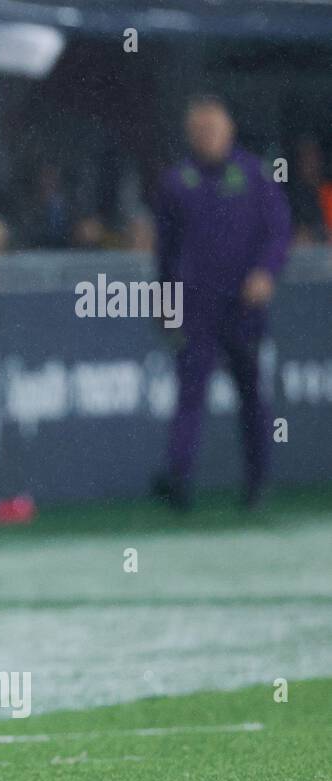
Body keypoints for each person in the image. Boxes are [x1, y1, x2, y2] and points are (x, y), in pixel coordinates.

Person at [153, 96, 291, 511]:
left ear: (229, 131)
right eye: (199, 131)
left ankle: (258, 482)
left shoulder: (254, 175)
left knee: (252, 394)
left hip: (245, 306)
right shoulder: (177, 182)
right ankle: (180, 482)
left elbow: (278, 230)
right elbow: (165, 252)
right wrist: (165, 304)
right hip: (196, 307)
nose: (207, 138)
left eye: (213, 129)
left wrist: (266, 271)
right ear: (190, 136)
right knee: (190, 395)